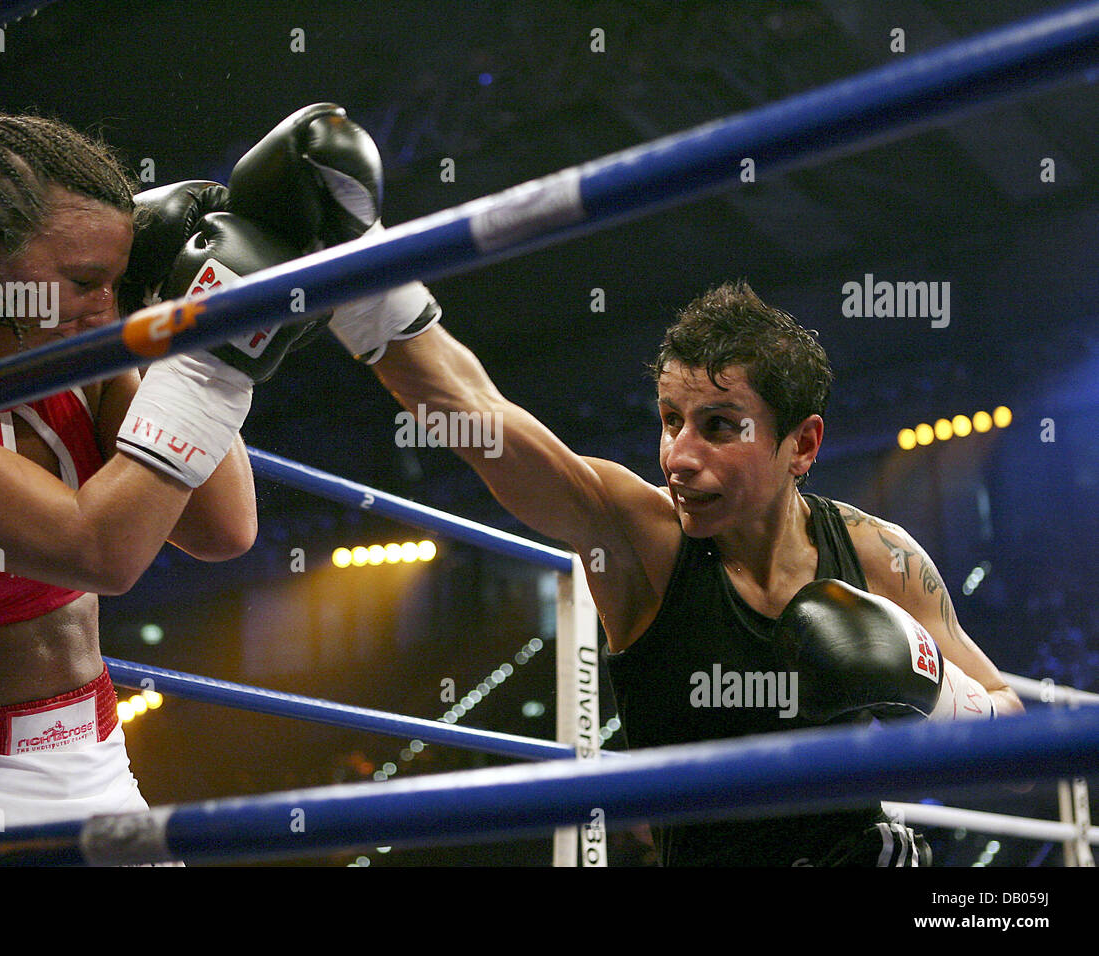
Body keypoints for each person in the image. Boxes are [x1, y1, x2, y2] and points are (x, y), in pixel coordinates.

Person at [294, 135, 1023, 862]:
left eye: (718, 427)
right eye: (671, 421)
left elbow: (1011, 729)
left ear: (802, 445)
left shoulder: (878, 556)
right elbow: (478, 414)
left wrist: (933, 691)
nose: (678, 457)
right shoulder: (639, 541)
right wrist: (363, 275)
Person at [0, 104, 320, 843]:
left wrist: (178, 327)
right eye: (84, 280)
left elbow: (220, 528)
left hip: (99, 761)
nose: (107, 308)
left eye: (119, 281)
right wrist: (210, 369)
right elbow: (99, 551)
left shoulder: (82, 365)